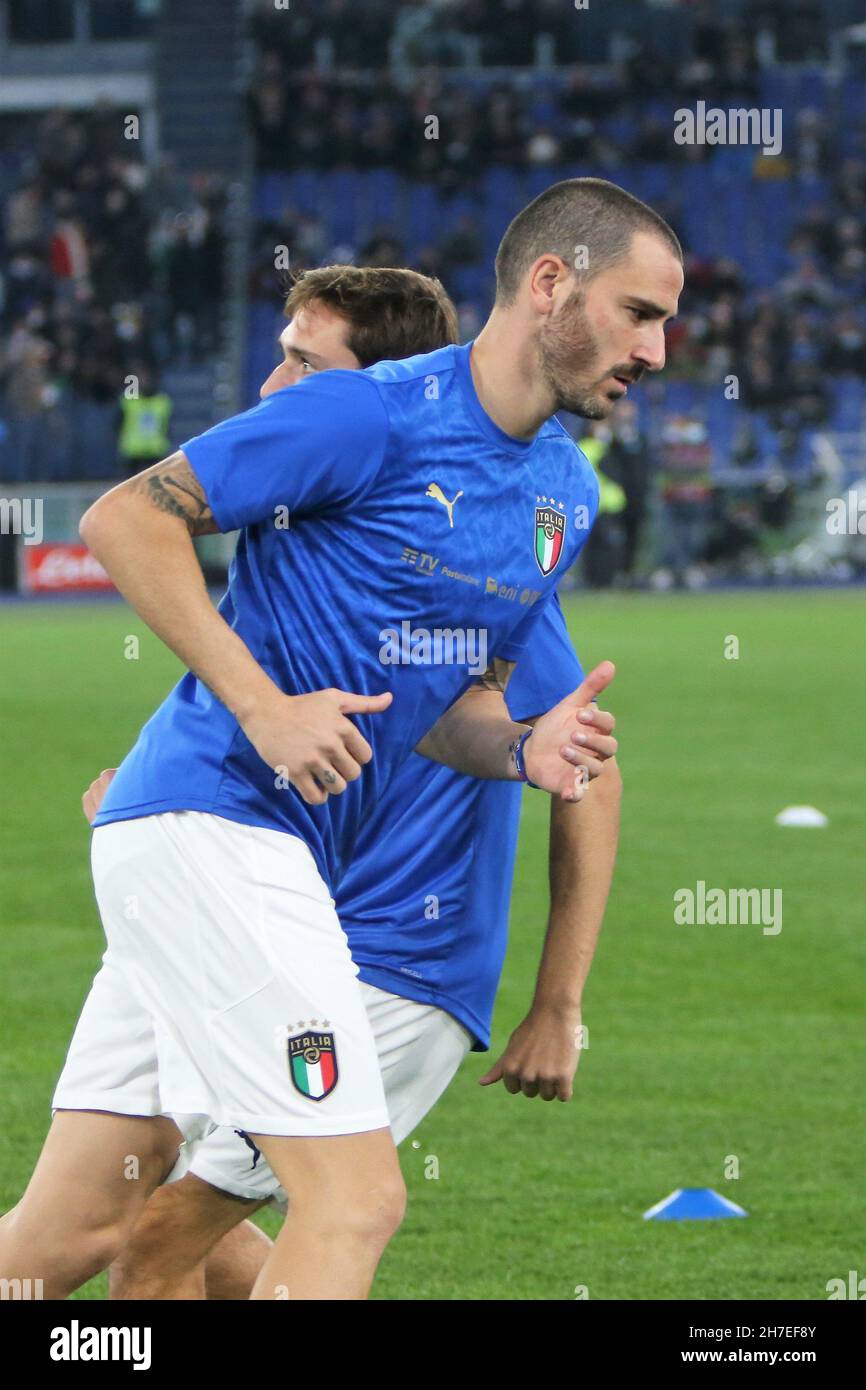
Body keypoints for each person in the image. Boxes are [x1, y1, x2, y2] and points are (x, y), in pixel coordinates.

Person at [0, 178, 681, 1300]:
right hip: (214, 830)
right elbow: (126, 517)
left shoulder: (563, 491)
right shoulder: (367, 410)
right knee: (355, 1198)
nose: (658, 349)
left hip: (232, 858)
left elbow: (442, 707)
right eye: (639, 312)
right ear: (550, 284)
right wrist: (264, 706)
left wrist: (521, 751)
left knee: (66, 1240)